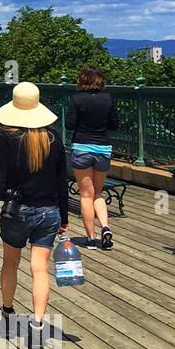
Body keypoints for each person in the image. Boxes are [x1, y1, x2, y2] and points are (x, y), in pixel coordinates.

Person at [0, 82, 69, 349]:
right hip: (49, 212)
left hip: (17, 211)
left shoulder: (6, 139)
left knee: (10, 263)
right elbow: (61, 182)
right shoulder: (53, 139)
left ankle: (7, 312)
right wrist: (64, 217)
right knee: (39, 269)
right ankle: (39, 325)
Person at [66, 66, 118, 249]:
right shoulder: (108, 98)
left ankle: (91, 238)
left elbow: (69, 125)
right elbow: (114, 124)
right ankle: (105, 226)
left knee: (85, 195)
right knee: (98, 193)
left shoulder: (76, 99)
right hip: (103, 148)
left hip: (81, 147)